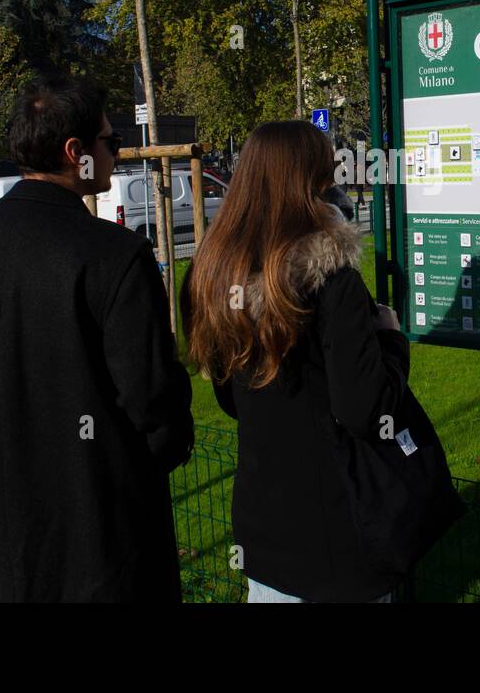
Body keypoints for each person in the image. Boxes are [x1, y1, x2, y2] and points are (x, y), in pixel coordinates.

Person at [0, 73, 194, 602]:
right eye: (110, 142)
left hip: (5, 533)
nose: (116, 154)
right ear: (76, 152)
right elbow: (155, 401)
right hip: (107, 542)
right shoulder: (116, 256)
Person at [182, 120, 413, 603]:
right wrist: (390, 341)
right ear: (314, 180)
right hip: (337, 537)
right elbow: (365, 409)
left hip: (263, 532)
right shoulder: (333, 279)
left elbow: (229, 395)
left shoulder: (214, 278)